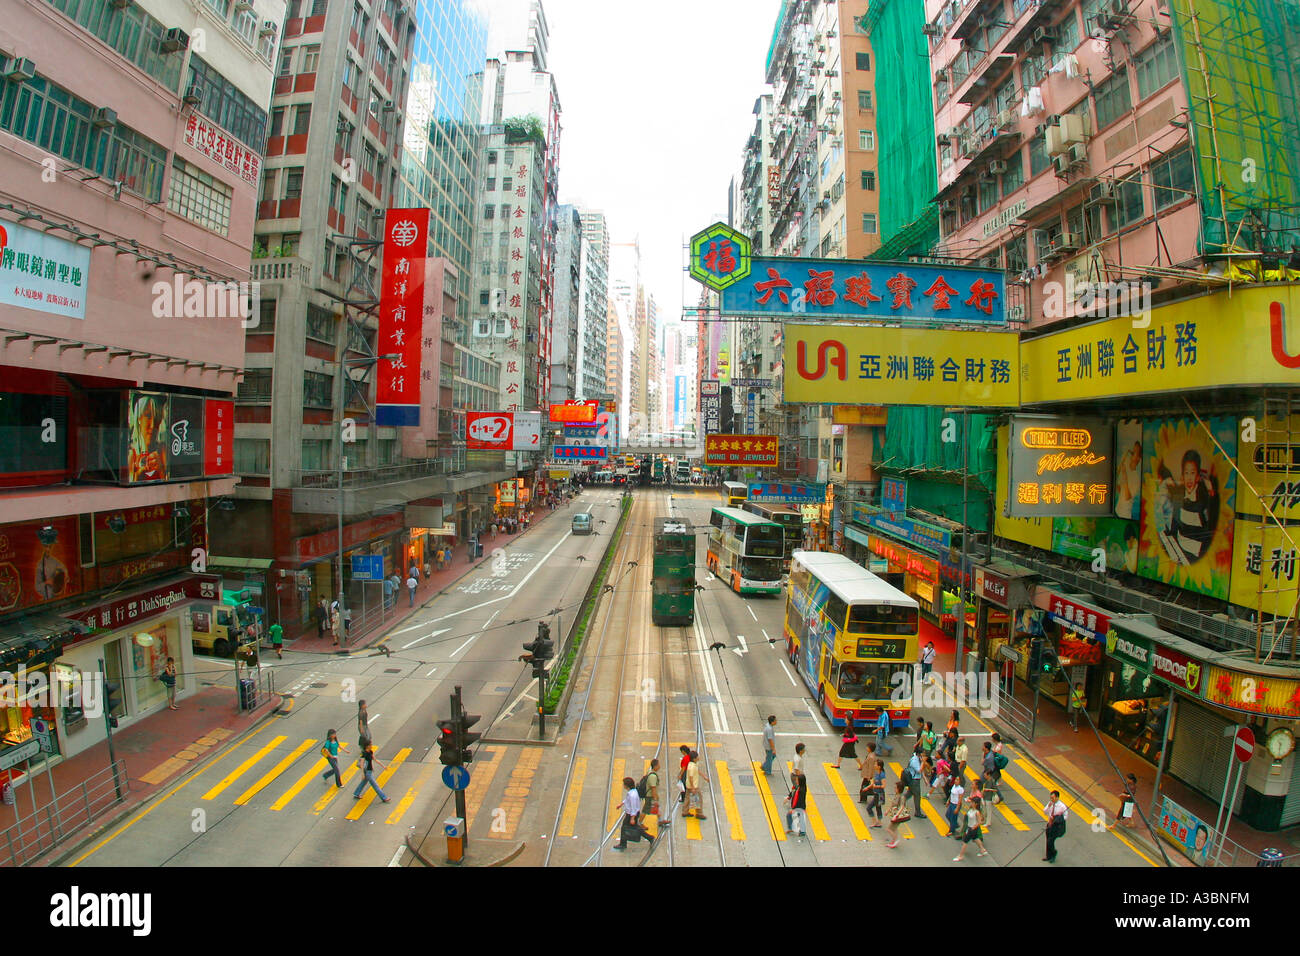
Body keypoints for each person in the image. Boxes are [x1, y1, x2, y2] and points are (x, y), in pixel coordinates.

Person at [611, 777, 645, 850]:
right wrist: (621, 804)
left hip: (632, 815)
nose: (623, 785)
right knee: (633, 828)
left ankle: (623, 844)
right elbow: (627, 800)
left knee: (626, 828)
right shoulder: (632, 792)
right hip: (632, 814)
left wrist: (632, 818)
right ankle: (623, 843)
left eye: (624, 784)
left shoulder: (632, 795)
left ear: (627, 786)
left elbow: (633, 807)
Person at [953, 797, 989, 861]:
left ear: (976, 804)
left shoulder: (977, 812)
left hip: (972, 829)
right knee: (976, 838)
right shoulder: (971, 809)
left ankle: (960, 856)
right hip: (970, 827)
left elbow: (980, 821)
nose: (971, 803)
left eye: (972, 802)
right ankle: (982, 849)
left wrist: (974, 827)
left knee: (965, 841)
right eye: (971, 802)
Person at [1043, 790, 1068, 862]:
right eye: (1051, 798)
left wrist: (1058, 818)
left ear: (1057, 797)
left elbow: (1066, 816)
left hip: (1056, 826)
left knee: (1050, 840)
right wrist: (1048, 806)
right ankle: (1048, 856)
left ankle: (1053, 854)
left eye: (1053, 798)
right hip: (1050, 824)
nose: (1051, 799)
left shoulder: (1062, 806)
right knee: (1048, 840)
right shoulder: (1050, 803)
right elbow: (1045, 812)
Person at [885, 781, 910, 849]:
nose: (894, 789)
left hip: (898, 816)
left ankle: (895, 840)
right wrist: (888, 811)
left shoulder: (902, 797)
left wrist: (896, 816)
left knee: (889, 829)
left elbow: (902, 807)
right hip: (895, 815)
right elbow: (892, 804)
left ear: (899, 789)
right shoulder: (897, 795)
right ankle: (893, 841)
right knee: (894, 829)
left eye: (895, 788)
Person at [684, 750, 708, 820]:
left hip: (688, 785)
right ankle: (699, 813)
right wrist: (693, 788)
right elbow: (691, 777)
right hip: (693, 786)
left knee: (687, 798)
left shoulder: (692, 764)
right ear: (694, 759)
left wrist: (704, 776)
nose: (698, 757)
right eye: (697, 757)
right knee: (699, 799)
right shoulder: (692, 767)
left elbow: (697, 771)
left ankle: (685, 812)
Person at [785, 770, 808, 836]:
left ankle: (802, 832)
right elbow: (793, 791)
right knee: (798, 818)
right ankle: (793, 828)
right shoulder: (799, 787)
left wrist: (794, 809)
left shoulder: (801, 790)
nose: (796, 781)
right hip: (798, 807)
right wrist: (789, 797)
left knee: (798, 818)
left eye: (797, 780)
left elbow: (799, 800)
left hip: (799, 807)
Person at [864, 759, 887, 827]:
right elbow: (873, 782)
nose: (874, 765)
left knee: (869, 808)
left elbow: (884, 785)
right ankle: (879, 822)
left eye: (875, 764)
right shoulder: (877, 773)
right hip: (876, 794)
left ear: (879, 766)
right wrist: (867, 788)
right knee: (878, 808)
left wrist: (876, 786)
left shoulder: (882, 775)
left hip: (879, 795)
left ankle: (875, 821)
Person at [904, 749, 924, 817]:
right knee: (917, 796)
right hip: (914, 781)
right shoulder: (914, 761)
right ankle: (918, 812)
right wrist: (923, 762)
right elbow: (919, 770)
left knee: (909, 794)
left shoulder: (916, 758)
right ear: (919, 754)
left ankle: (898, 802)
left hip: (914, 780)